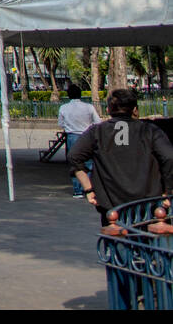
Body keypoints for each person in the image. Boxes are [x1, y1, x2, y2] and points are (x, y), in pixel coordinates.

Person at [69, 88, 173, 227]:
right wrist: (167, 190)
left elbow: (74, 157)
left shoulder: (97, 131)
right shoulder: (150, 130)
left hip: (111, 204)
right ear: (135, 110)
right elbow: (169, 157)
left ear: (108, 110)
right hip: (148, 204)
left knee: (117, 242)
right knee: (148, 244)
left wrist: (89, 189)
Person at [58, 83, 101, 198]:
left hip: (72, 136)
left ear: (68, 95)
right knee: (89, 162)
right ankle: (88, 188)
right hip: (87, 135)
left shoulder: (63, 108)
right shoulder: (89, 107)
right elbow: (98, 122)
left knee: (74, 163)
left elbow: (60, 123)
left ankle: (77, 190)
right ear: (80, 94)